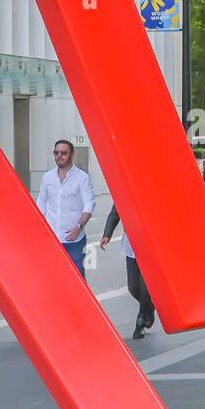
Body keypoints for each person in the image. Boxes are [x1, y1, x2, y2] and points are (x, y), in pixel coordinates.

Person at [38, 139, 95, 277]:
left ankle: (79, 299)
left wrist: (79, 226)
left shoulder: (82, 178)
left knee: (78, 278)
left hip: (74, 240)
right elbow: (41, 204)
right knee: (52, 277)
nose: (59, 156)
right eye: (56, 152)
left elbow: (89, 205)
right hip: (52, 239)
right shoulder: (48, 177)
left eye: (63, 153)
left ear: (72, 154)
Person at [100, 205, 156, 338]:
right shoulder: (125, 189)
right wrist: (107, 234)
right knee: (133, 287)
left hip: (150, 244)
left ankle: (140, 322)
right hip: (131, 244)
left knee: (144, 287)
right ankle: (149, 306)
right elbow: (115, 213)